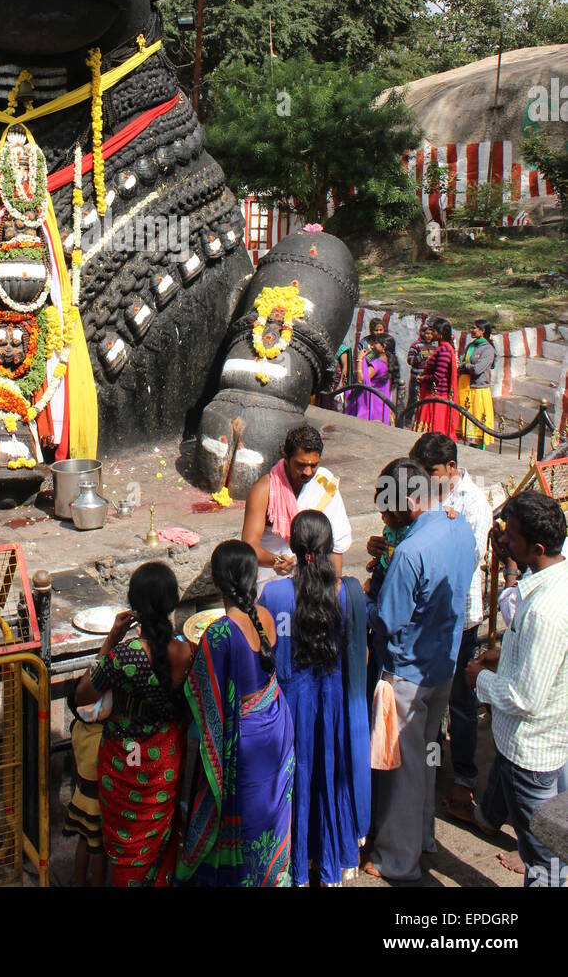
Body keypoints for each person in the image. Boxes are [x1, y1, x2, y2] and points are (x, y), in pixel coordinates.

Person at [363, 457, 476, 882]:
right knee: (427, 758)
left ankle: (398, 858)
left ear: (409, 501)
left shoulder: (411, 551)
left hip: (407, 674)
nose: (385, 515)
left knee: (404, 771)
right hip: (443, 664)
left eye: (388, 506)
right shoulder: (458, 525)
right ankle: (422, 837)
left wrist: (367, 597)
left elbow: (387, 619)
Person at [260, 511, 371, 886]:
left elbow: (265, 654)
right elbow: (363, 652)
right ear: (329, 549)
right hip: (334, 705)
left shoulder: (273, 595)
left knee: (294, 781)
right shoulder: (349, 592)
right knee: (330, 776)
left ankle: (293, 863)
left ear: (292, 547)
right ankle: (330, 862)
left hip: (289, 709)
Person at [177, 540, 295, 887]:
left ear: (215, 581)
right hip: (275, 724)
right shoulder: (268, 617)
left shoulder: (220, 633)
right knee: (269, 810)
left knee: (242, 813)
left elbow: (200, 692)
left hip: (245, 740)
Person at [467, 491, 568, 887]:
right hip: (540, 746)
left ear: (538, 547)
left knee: (543, 860)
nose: (505, 541)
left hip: (532, 753)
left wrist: (481, 679)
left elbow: (525, 697)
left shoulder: (545, 610)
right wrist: (504, 655)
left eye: (513, 536)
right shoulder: (551, 584)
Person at [75, 562, 193, 887]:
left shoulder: (124, 655)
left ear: (135, 606)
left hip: (123, 763)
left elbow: (82, 695)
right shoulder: (186, 653)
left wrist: (111, 639)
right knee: (158, 844)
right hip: (162, 763)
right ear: (172, 603)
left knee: (127, 849)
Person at [409, 432, 493, 826]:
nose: (427, 480)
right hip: (429, 610)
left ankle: (463, 777)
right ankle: (433, 759)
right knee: (433, 698)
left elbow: (464, 560)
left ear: (452, 469)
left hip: (459, 614)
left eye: (434, 472)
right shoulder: (427, 493)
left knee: (459, 699)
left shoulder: (473, 505)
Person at [241, 422, 352, 592]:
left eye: (313, 465)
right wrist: (276, 562)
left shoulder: (325, 484)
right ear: (286, 458)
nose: (307, 472)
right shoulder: (264, 490)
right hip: (268, 580)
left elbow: (337, 541)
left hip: (312, 580)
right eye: (301, 465)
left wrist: (334, 588)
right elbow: (249, 546)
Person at [62, 683, 107, 887]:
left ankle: (80, 882)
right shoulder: (104, 735)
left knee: (83, 841)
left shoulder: (76, 727)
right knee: (99, 852)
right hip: (97, 802)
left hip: (81, 798)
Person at [458, 319, 497, 448]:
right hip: (465, 388)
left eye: (474, 328)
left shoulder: (488, 350)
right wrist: (465, 365)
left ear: (482, 331)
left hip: (478, 391)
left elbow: (477, 369)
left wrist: (465, 365)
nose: (471, 330)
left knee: (477, 429)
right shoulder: (471, 346)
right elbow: (460, 362)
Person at [418, 319, 459, 439]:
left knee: (433, 433)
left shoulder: (444, 350)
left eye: (434, 331)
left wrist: (423, 378)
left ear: (440, 334)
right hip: (435, 394)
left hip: (437, 396)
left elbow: (438, 376)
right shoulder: (443, 348)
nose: (432, 333)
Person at [355, 338, 393, 425]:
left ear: (383, 347)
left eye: (376, 343)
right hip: (383, 405)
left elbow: (361, 379)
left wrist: (360, 359)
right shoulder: (389, 362)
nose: (372, 345)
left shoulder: (378, 364)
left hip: (372, 404)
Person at [406, 321, 436, 428]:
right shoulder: (416, 345)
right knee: (414, 398)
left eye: (431, 334)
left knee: (425, 399)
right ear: (423, 333)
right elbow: (410, 360)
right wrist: (421, 357)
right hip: (416, 376)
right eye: (427, 333)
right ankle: (408, 419)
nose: (429, 336)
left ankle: (421, 420)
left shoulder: (435, 346)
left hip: (428, 377)